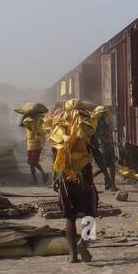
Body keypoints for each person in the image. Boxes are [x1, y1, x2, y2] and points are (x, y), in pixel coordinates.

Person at [44, 99, 97, 263]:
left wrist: (54, 177)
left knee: (70, 216)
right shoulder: (86, 125)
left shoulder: (58, 126)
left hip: (65, 176)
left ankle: (73, 255)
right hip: (84, 174)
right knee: (90, 212)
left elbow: (55, 154)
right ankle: (84, 242)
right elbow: (94, 150)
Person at [89, 105, 118, 192]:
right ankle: (90, 179)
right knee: (105, 167)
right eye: (105, 113)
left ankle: (109, 185)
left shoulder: (101, 121)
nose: (107, 114)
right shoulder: (101, 123)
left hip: (104, 147)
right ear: (102, 114)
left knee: (108, 166)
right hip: (104, 148)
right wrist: (110, 142)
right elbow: (101, 136)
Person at [20, 107, 47, 185]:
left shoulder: (29, 120)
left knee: (32, 163)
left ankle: (42, 175)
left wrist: (24, 116)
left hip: (33, 144)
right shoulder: (41, 119)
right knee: (32, 163)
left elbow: (21, 124)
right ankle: (37, 178)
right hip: (37, 143)